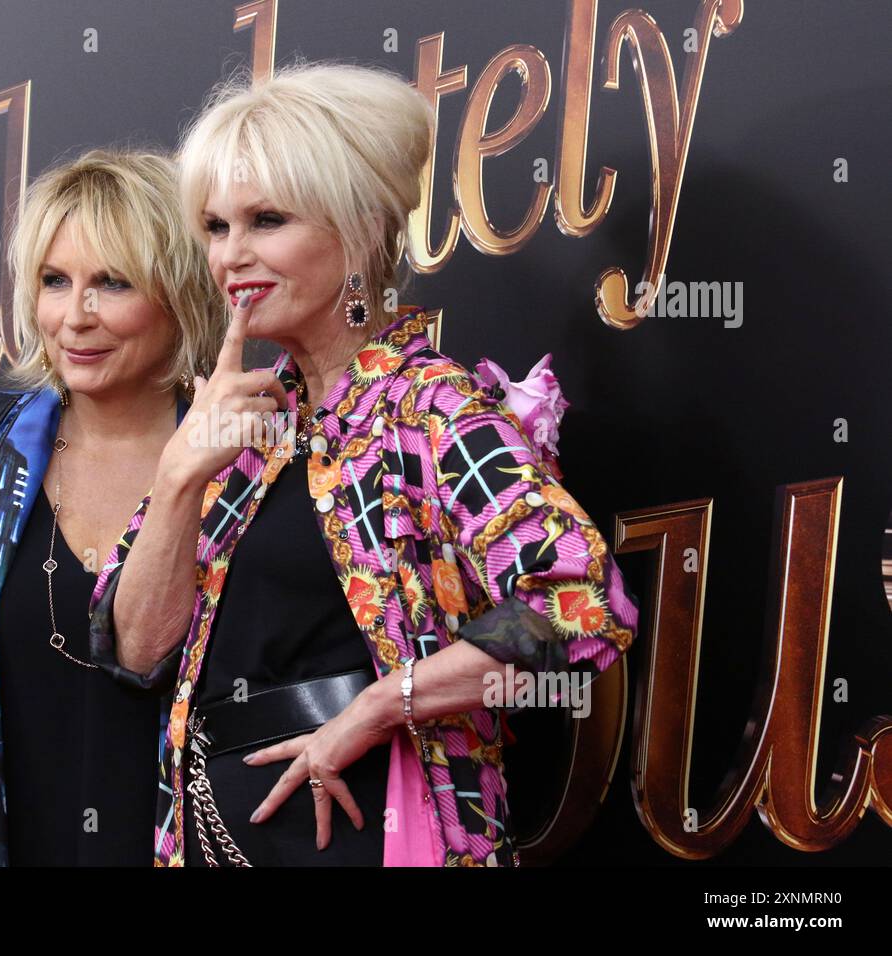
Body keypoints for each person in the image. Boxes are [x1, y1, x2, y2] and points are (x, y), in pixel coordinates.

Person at [88, 63, 640, 866]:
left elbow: (579, 604)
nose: (231, 257)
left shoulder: (427, 406)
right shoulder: (239, 418)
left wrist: (379, 707)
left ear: (363, 228)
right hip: (212, 830)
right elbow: (134, 653)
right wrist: (179, 476)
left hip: (368, 829)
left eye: (267, 220)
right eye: (214, 227)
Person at [0, 147, 225, 865]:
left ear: (180, 293)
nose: (74, 317)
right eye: (54, 282)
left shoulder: (243, 464)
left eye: (112, 283)